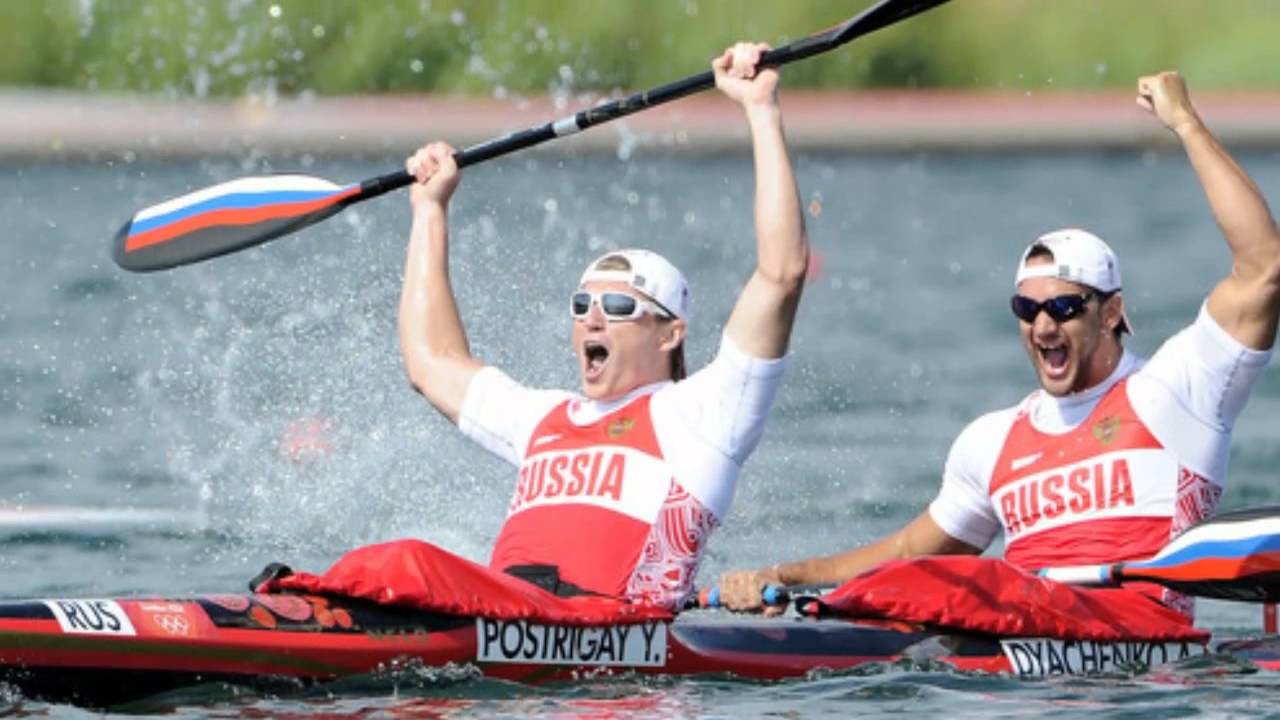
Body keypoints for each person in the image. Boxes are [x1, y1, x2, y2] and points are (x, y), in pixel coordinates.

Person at [718, 70, 1280, 617]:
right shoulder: (990, 442)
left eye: (1064, 308)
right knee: (941, 582)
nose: (1043, 327)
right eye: (1027, 310)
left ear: (1112, 313)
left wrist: (1185, 122)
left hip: (1142, 654)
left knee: (978, 582)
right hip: (1020, 675)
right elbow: (907, 555)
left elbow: (1263, 268)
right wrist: (784, 578)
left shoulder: (1177, 390)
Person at [398, 42, 808, 610]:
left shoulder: (703, 416)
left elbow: (781, 274)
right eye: (582, 305)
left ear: (670, 334)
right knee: (400, 565)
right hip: (502, 622)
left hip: (611, 647)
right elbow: (431, 362)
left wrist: (761, 110)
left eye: (618, 308)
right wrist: (429, 212)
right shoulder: (541, 418)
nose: (593, 317)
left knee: (410, 564)